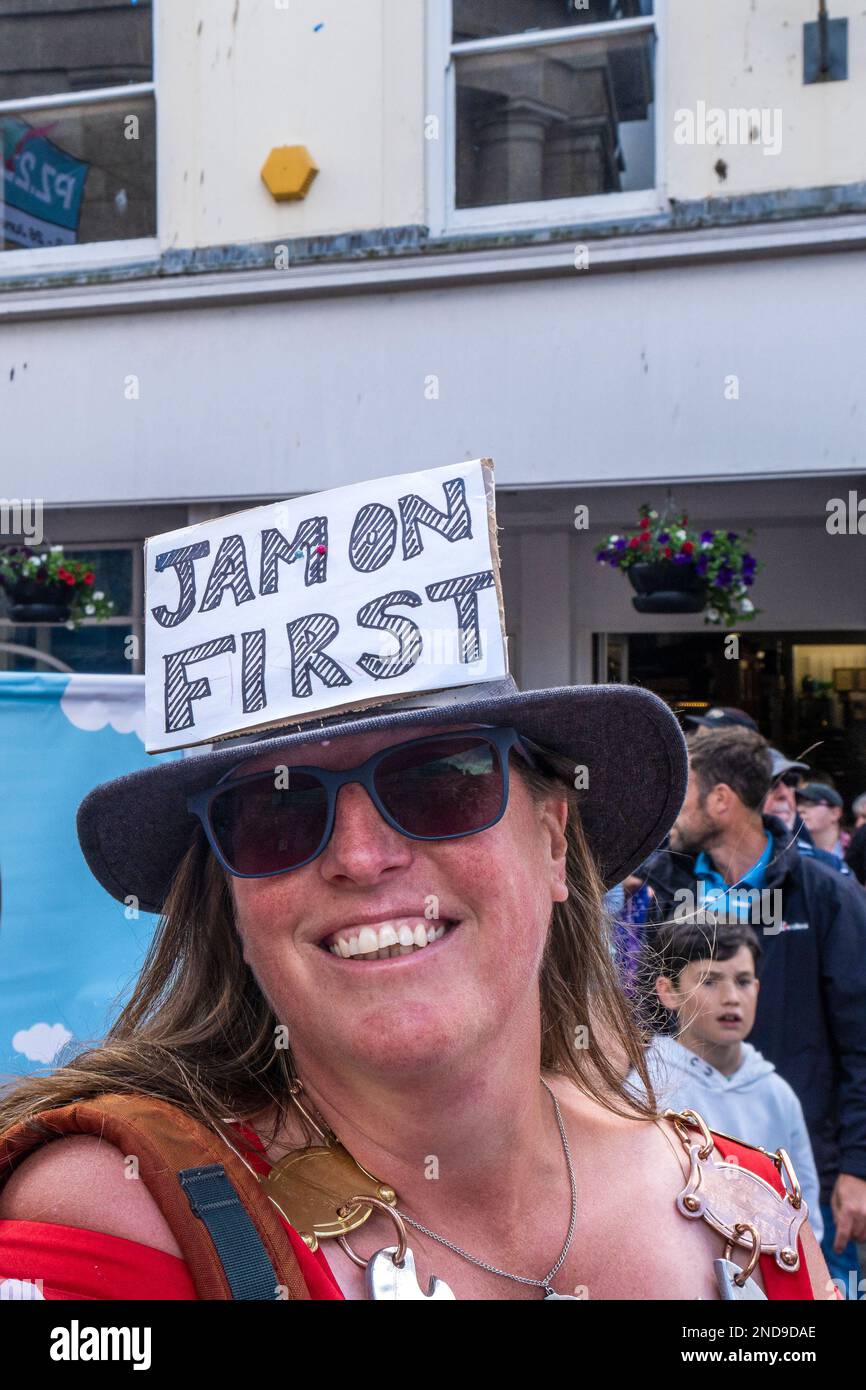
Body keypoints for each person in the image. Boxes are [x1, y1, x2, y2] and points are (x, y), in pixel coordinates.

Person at [0, 679, 831, 1301]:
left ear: (550, 841)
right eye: (275, 811)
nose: (362, 857)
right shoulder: (127, 1217)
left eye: (439, 783)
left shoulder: (749, 1222)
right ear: (233, 899)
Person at [642, 727, 866, 1296]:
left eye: (683, 791)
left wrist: (857, 1167)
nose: (672, 807)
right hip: (682, 1183)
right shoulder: (662, 890)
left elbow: (861, 1038)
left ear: (720, 800)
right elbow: (644, 1020)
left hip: (804, 1169)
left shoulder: (825, 893)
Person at [626, 920, 822, 1243]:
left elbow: (805, 1216)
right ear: (668, 992)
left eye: (743, 981)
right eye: (709, 981)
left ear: (757, 990)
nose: (731, 997)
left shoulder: (777, 1094)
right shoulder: (644, 1090)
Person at [795, 784, 847, 864]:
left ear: (835, 813)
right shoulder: (792, 851)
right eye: (797, 804)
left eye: (810, 804)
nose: (800, 809)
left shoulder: (857, 848)